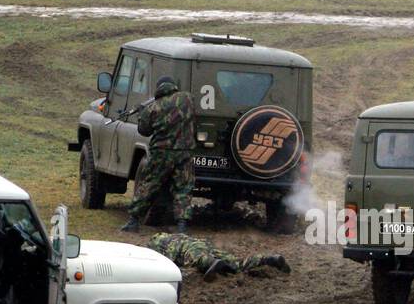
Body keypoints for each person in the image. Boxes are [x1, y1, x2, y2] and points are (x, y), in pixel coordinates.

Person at [122, 76, 196, 234]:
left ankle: (133, 221)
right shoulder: (187, 99)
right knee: (183, 188)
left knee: (149, 184)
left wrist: (142, 114)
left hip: (161, 153)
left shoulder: (152, 108)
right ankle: (182, 226)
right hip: (184, 152)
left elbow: (144, 130)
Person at [146, 232, 290, 281]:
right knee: (236, 263)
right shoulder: (173, 236)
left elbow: (167, 264)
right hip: (202, 243)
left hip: (190, 248)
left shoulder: (158, 243)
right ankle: (268, 259)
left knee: (200, 260)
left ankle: (213, 263)